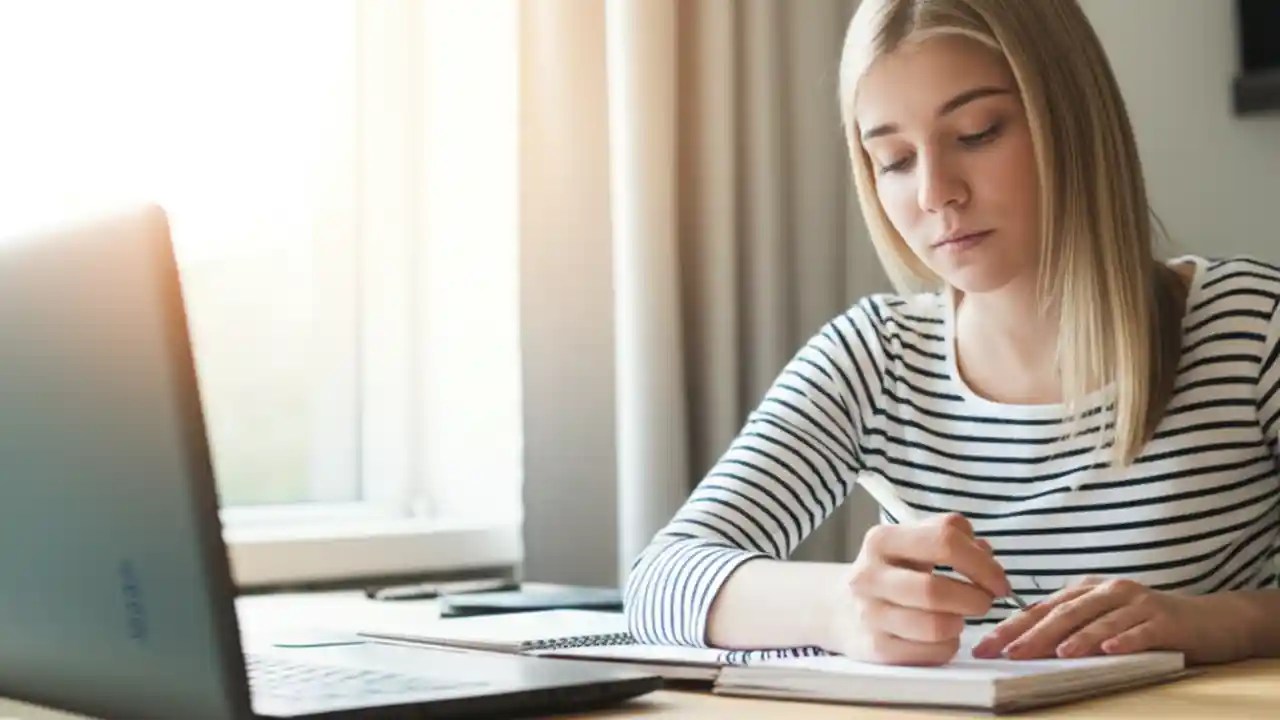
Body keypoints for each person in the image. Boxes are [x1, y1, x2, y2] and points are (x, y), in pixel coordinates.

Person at [623, 0, 1280, 667]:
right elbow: (659, 584)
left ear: (1073, 118)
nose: (937, 192)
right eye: (895, 160)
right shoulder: (874, 357)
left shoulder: (1253, 329)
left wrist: (1212, 623)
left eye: (977, 132)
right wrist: (839, 607)